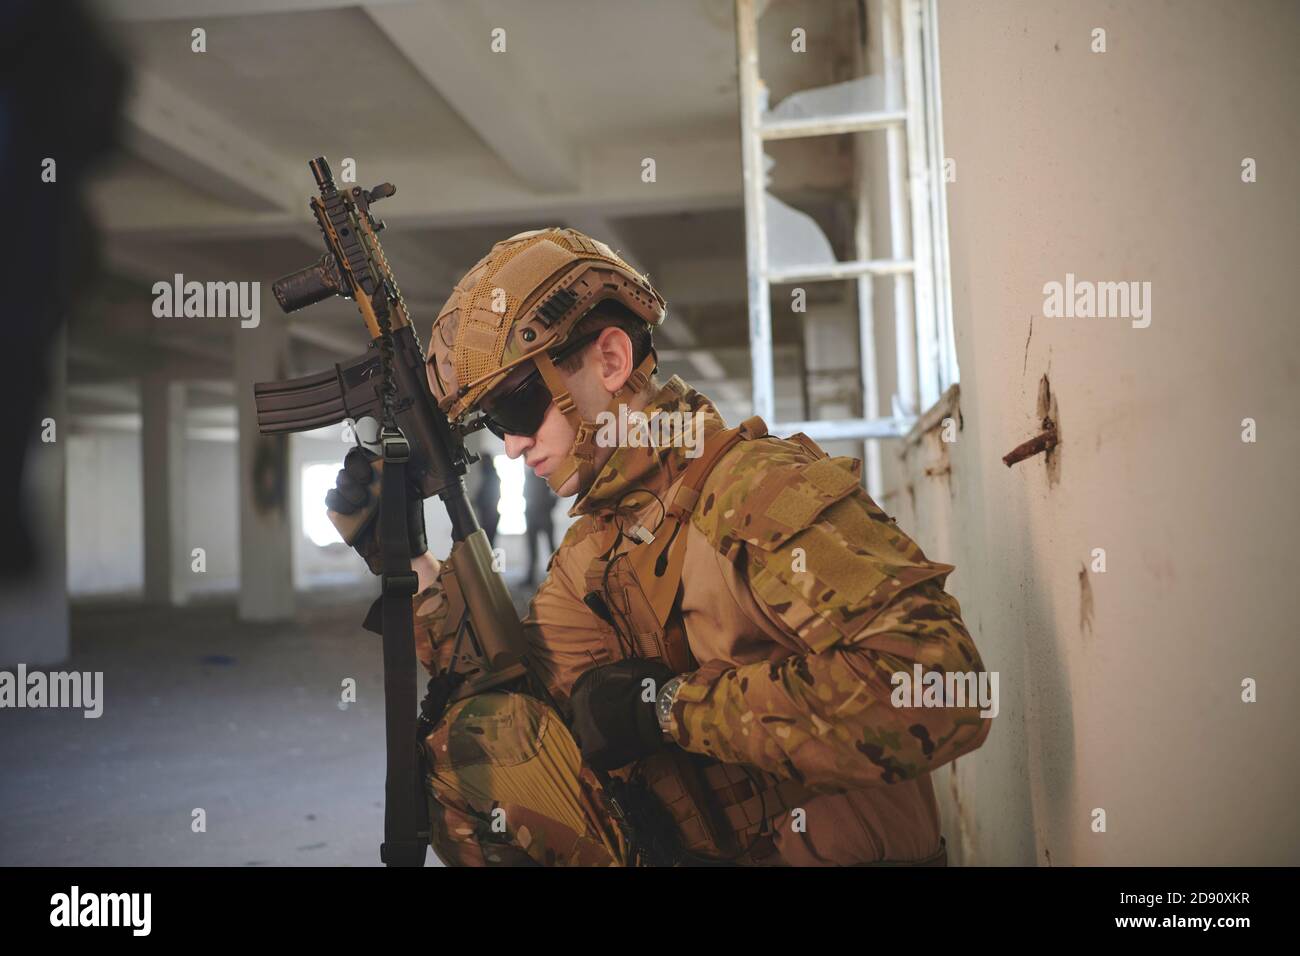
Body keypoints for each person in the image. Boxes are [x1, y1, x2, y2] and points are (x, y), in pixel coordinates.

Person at [329, 227, 992, 866]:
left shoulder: (755, 490)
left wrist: (673, 709)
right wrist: (402, 559)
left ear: (611, 361)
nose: (510, 444)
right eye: (491, 423)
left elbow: (942, 688)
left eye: (517, 409)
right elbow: (517, 710)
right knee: (470, 751)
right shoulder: (599, 544)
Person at [522, 468, 556, 587]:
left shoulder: (545, 475)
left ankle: (558, 576)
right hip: (533, 516)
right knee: (533, 550)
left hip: (543, 515)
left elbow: (555, 493)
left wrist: (547, 506)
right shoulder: (532, 475)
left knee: (551, 549)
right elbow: (525, 493)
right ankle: (531, 577)